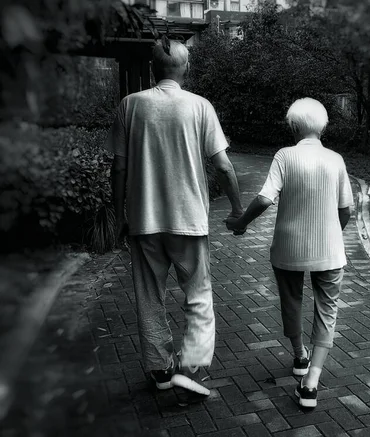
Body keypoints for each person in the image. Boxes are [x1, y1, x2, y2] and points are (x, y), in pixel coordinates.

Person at [104, 36, 243, 395]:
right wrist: (238, 210)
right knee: (198, 297)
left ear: (153, 69)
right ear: (187, 68)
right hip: (189, 221)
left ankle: (161, 370)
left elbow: (118, 168)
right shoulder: (200, 107)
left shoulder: (129, 106)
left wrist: (120, 214)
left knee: (149, 298)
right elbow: (224, 168)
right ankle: (192, 369)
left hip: (143, 221)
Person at [225, 98, 353, 408]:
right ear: (322, 126)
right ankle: (311, 383)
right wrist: (332, 233)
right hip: (330, 250)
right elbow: (345, 210)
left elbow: (265, 198)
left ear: (293, 126)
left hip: (288, 247)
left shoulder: (285, 156)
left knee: (291, 301)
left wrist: (240, 222)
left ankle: (299, 357)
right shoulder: (335, 159)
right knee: (327, 310)